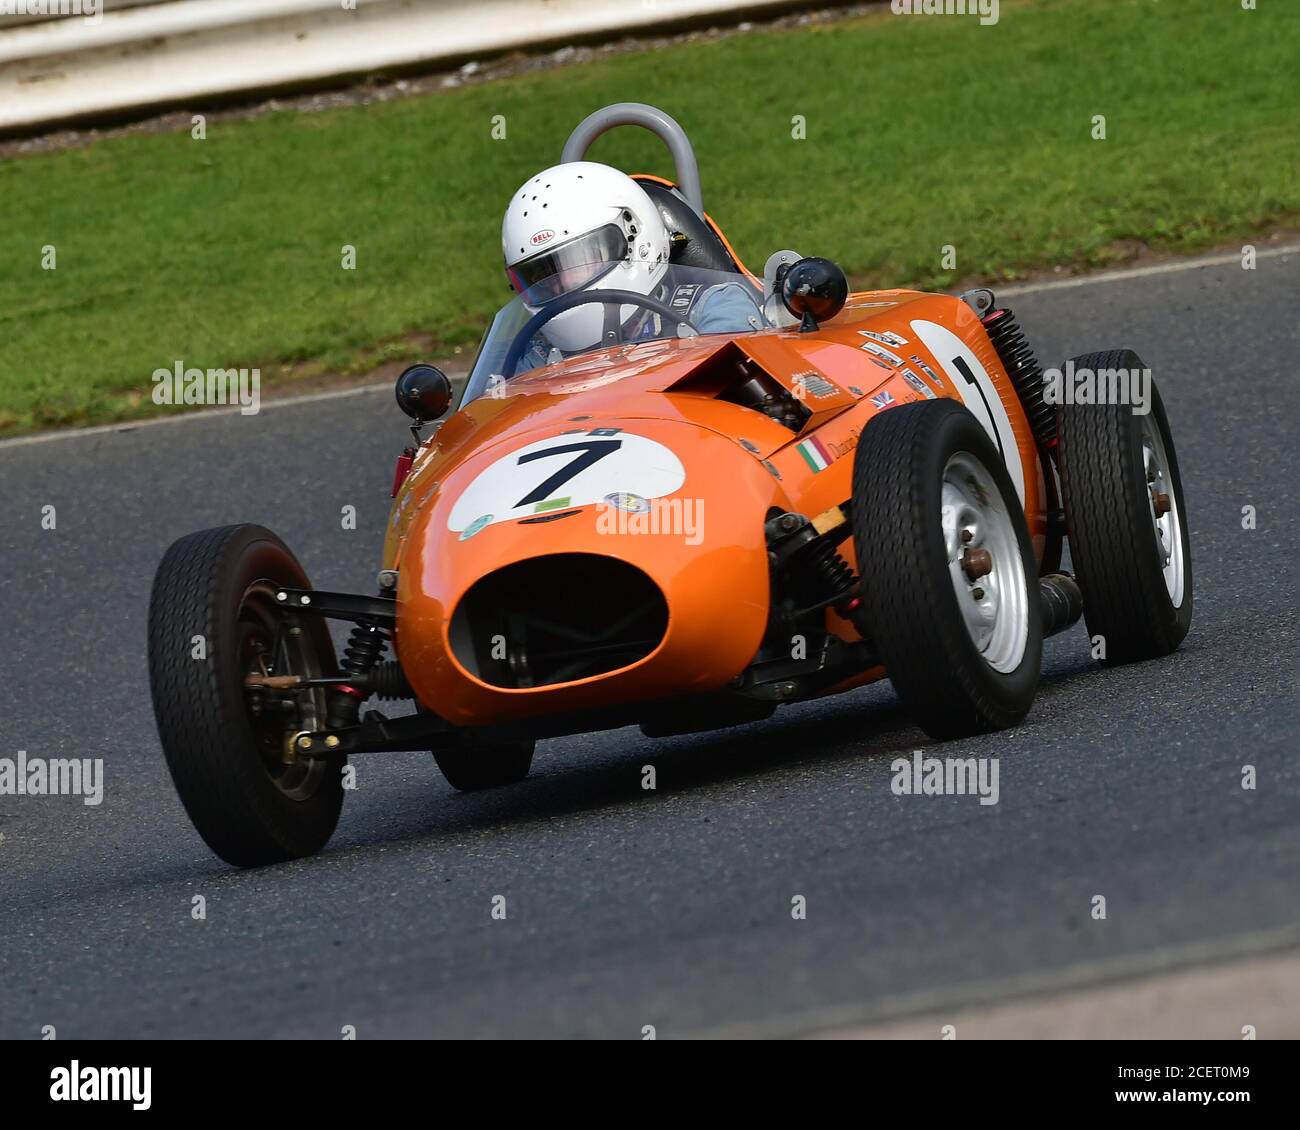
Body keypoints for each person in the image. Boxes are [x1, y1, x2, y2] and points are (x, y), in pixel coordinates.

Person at [502, 161, 764, 372]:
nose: (562, 283)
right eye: (541, 276)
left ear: (634, 236)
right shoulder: (537, 358)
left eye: (576, 262)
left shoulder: (714, 308)